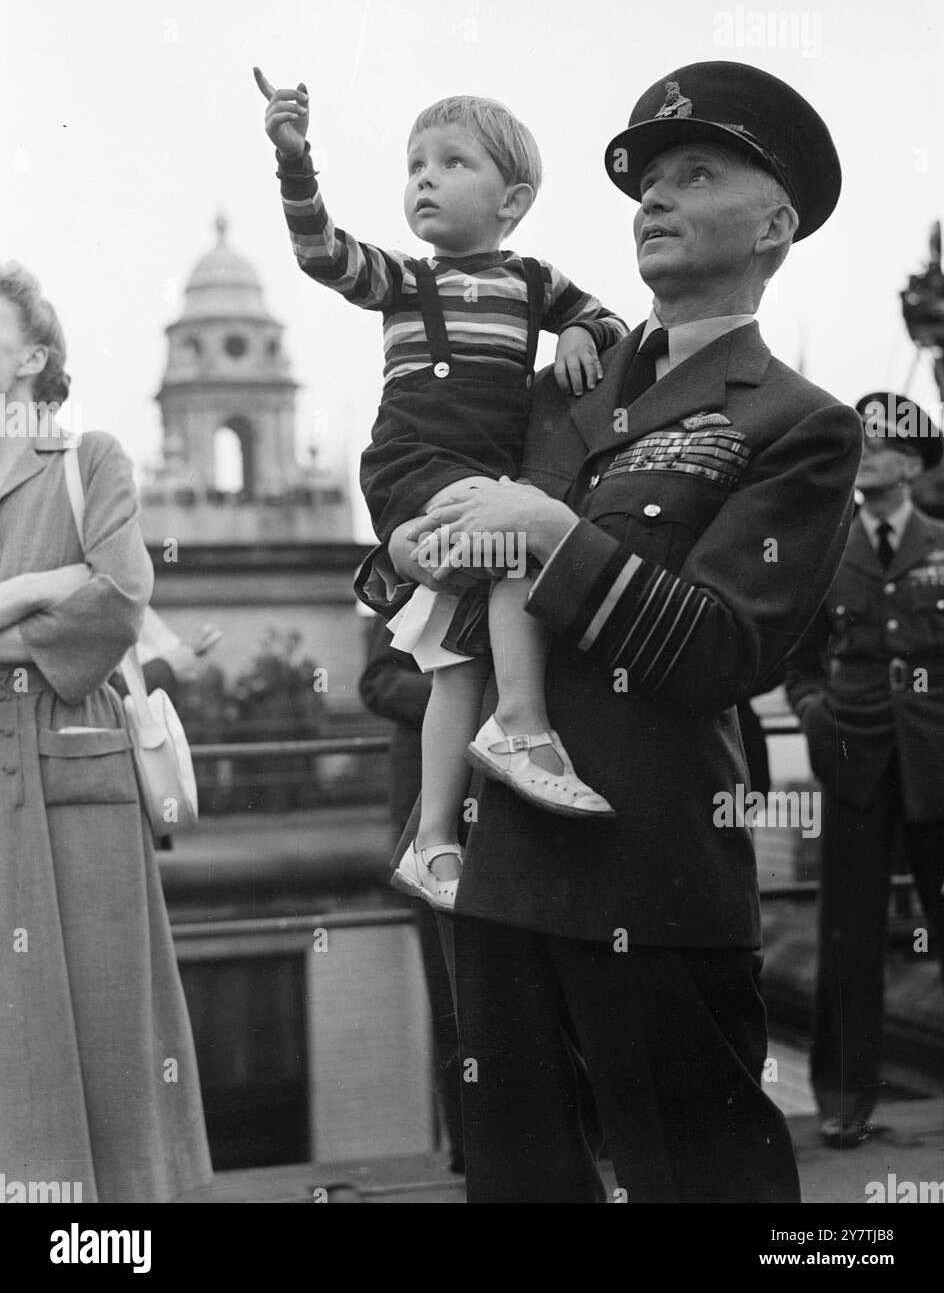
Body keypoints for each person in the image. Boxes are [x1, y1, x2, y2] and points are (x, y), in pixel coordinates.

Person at [359, 60, 863, 1202]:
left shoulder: (796, 425)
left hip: (649, 873)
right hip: (496, 879)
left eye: (693, 174)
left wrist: (548, 529)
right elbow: (416, 516)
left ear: (775, 223)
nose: (653, 199)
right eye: (644, 182)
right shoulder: (551, 392)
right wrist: (395, 552)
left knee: (703, 1187)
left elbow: (727, 649)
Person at [254, 71, 628, 910]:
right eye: (415, 163)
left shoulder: (533, 282)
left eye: (452, 162)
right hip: (418, 464)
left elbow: (609, 324)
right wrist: (295, 163)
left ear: (512, 200)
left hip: (481, 480)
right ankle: (523, 726)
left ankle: (432, 843)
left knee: (457, 661)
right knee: (524, 550)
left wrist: (574, 327)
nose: (423, 177)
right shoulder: (401, 278)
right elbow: (322, 253)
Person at [0, 262, 211, 1202]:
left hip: (71, 748)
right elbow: (91, 588)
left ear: (32, 356)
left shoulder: (90, 460)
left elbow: (122, 596)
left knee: (106, 1016)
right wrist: (49, 585)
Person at [785, 391, 944, 1149]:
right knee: (849, 933)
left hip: (938, 770)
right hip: (853, 763)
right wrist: (815, 712)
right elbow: (799, 657)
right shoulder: (823, 548)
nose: (867, 449)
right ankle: (847, 1100)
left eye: (883, 442)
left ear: (911, 463)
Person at [358, 614, 464, 1173]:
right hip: (429, 819)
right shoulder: (416, 572)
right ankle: (470, 1148)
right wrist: (464, 689)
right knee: (449, 990)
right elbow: (378, 682)